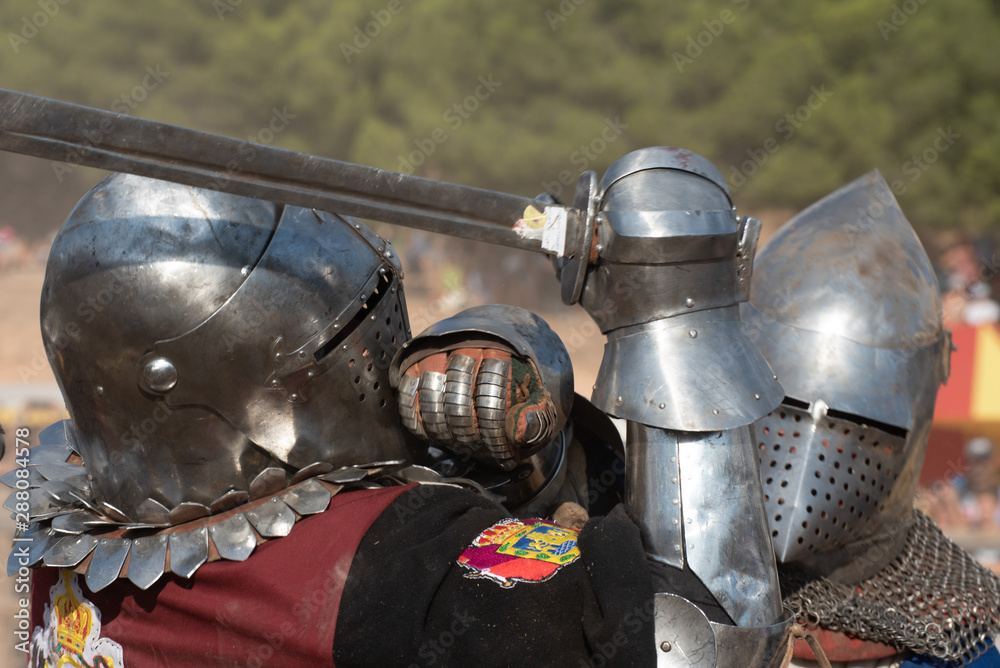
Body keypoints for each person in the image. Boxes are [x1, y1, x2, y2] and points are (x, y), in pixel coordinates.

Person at [6, 153, 791, 667]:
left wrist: (523, 429)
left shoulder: (65, 526)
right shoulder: (388, 557)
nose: (383, 354)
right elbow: (698, 640)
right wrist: (677, 318)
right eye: (348, 333)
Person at [743, 171, 1000, 667]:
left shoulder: (957, 638)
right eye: (784, 417)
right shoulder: (662, 586)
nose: (804, 473)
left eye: (853, 433)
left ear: (903, 438)